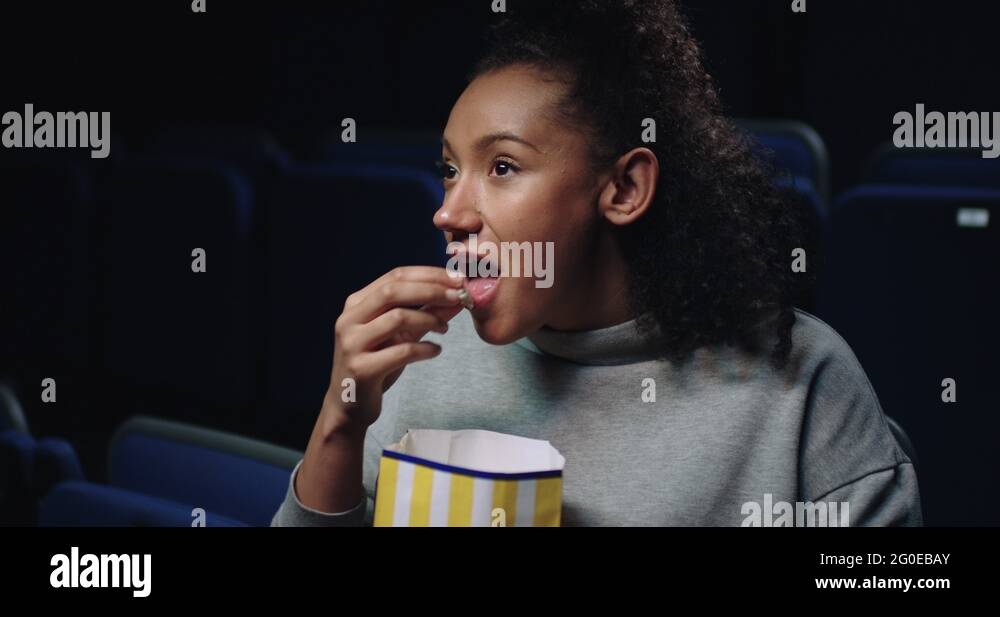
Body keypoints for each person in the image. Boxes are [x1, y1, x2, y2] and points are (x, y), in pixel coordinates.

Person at [272, 0, 921, 526]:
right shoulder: (421, 359)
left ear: (624, 190)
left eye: (502, 167)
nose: (450, 211)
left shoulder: (803, 384)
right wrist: (339, 420)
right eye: (449, 170)